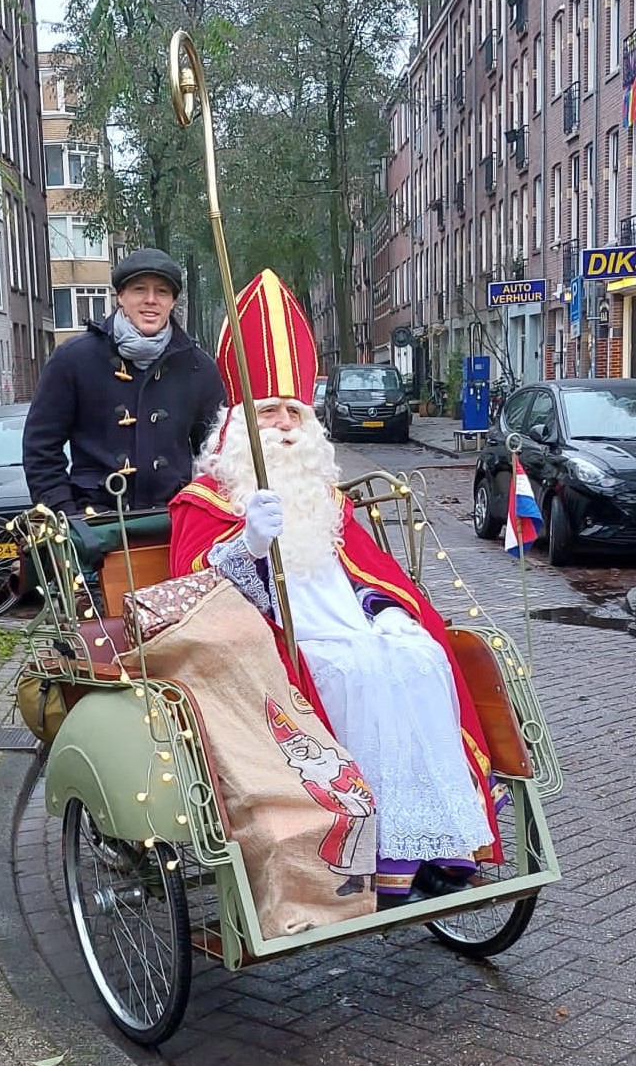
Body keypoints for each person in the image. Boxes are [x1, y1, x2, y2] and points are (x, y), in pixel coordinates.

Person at [169, 269, 501, 907]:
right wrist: (249, 545)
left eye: (294, 411)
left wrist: (388, 613)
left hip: (347, 624)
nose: (286, 426)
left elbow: (368, 574)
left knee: (419, 655)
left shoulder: (324, 498)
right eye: (269, 412)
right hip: (272, 643)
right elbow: (197, 599)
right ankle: (374, 850)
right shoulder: (203, 499)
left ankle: (437, 838)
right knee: (352, 674)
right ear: (237, 427)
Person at [23, 247, 226, 514]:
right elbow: (41, 447)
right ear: (121, 296)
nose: (151, 300)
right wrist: (67, 515)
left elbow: (215, 452)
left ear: (173, 301)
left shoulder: (199, 367)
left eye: (162, 292)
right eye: (139, 289)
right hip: (94, 525)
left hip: (174, 525)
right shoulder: (73, 359)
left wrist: (203, 515)